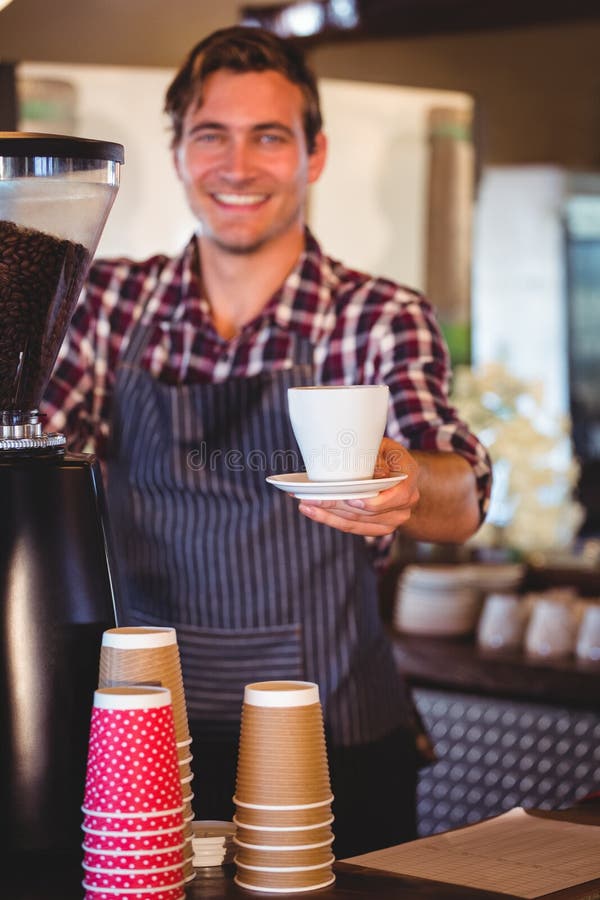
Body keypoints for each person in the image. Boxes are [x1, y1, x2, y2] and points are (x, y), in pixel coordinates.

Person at [41, 26, 492, 858]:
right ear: (177, 152)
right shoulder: (110, 303)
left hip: (334, 744)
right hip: (145, 736)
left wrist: (408, 489)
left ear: (314, 155)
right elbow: (34, 449)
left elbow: (460, 493)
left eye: (269, 137)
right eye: (211, 134)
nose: (238, 166)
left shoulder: (376, 316)